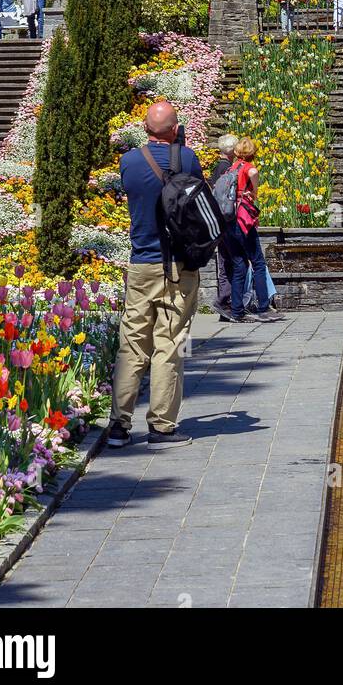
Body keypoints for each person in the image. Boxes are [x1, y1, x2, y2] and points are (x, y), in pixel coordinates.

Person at [108, 101, 204, 448]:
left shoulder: (129, 162)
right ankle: (161, 426)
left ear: (144, 128)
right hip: (179, 266)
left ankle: (119, 425)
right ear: (175, 128)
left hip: (142, 264)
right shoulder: (188, 158)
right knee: (170, 344)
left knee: (132, 342)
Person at [222, 137, 279, 324]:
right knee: (258, 262)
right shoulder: (247, 167)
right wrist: (254, 191)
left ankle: (237, 310)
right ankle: (263, 307)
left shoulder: (231, 168)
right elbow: (253, 172)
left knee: (239, 264)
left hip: (228, 221)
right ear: (253, 153)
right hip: (243, 220)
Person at [210, 135, 238, 320]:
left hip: (220, 222)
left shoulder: (217, 168)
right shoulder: (226, 168)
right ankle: (224, 301)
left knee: (225, 261)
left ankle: (225, 303)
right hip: (227, 222)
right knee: (229, 262)